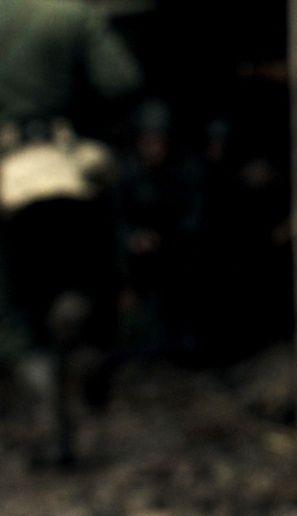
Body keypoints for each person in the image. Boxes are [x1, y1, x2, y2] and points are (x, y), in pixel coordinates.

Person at [0, 0, 141, 464]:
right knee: (101, 260)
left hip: (6, 172)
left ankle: (39, 388)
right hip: (63, 161)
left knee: (10, 307)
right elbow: (120, 80)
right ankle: (88, 330)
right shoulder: (71, 14)